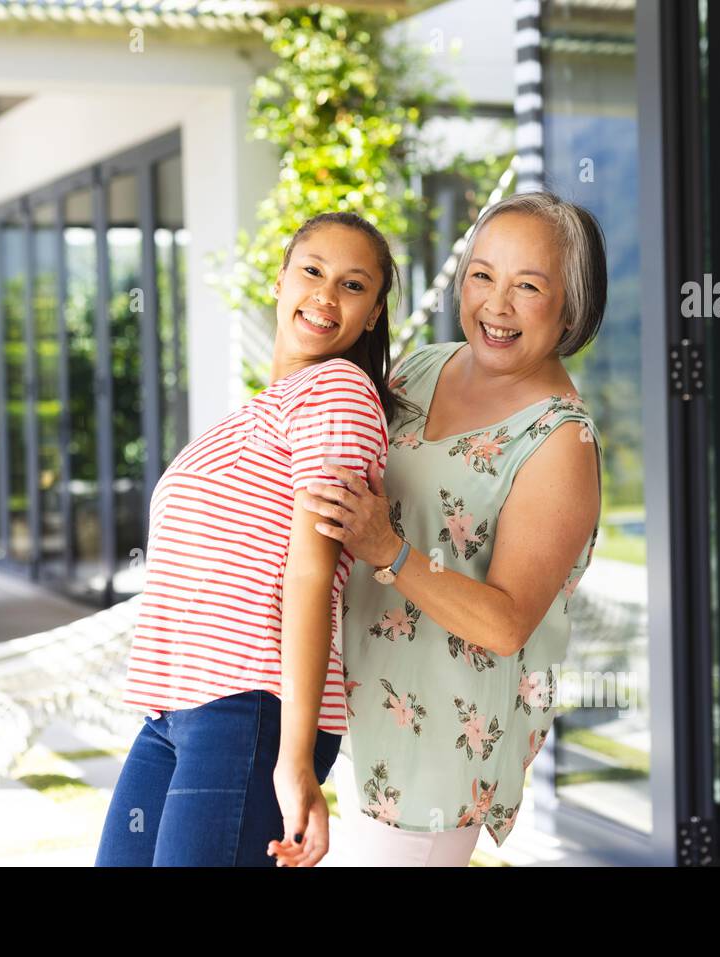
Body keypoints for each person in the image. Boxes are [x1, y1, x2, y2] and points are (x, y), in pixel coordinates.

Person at [268, 190, 607, 867]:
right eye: (482, 275)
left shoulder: (559, 442)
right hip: (340, 705)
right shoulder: (421, 368)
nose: (496, 305)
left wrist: (388, 548)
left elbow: (507, 623)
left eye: (528, 286)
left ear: (571, 307)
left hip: (429, 744)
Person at [95, 211, 412, 867]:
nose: (325, 296)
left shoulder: (339, 393)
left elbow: (309, 573)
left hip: (248, 709)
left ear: (374, 313)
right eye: (313, 271)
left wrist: (294, 758)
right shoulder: (259, 410)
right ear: (281, 279)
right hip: (175, 710)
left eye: (353, 286)